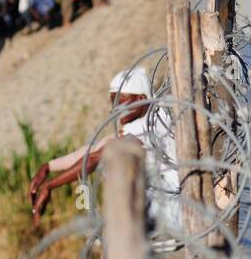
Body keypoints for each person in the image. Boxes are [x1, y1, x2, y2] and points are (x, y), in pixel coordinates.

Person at [28, 68, 179, 231]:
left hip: (172, 207)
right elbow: (93, 149)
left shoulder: (143, 130)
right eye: (113, 102)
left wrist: (50, 186)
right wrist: (48, 167)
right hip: (169, 199)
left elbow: (94, 158)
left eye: (121, 101)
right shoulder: (155, 115)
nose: (115, 108)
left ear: (141, 98)